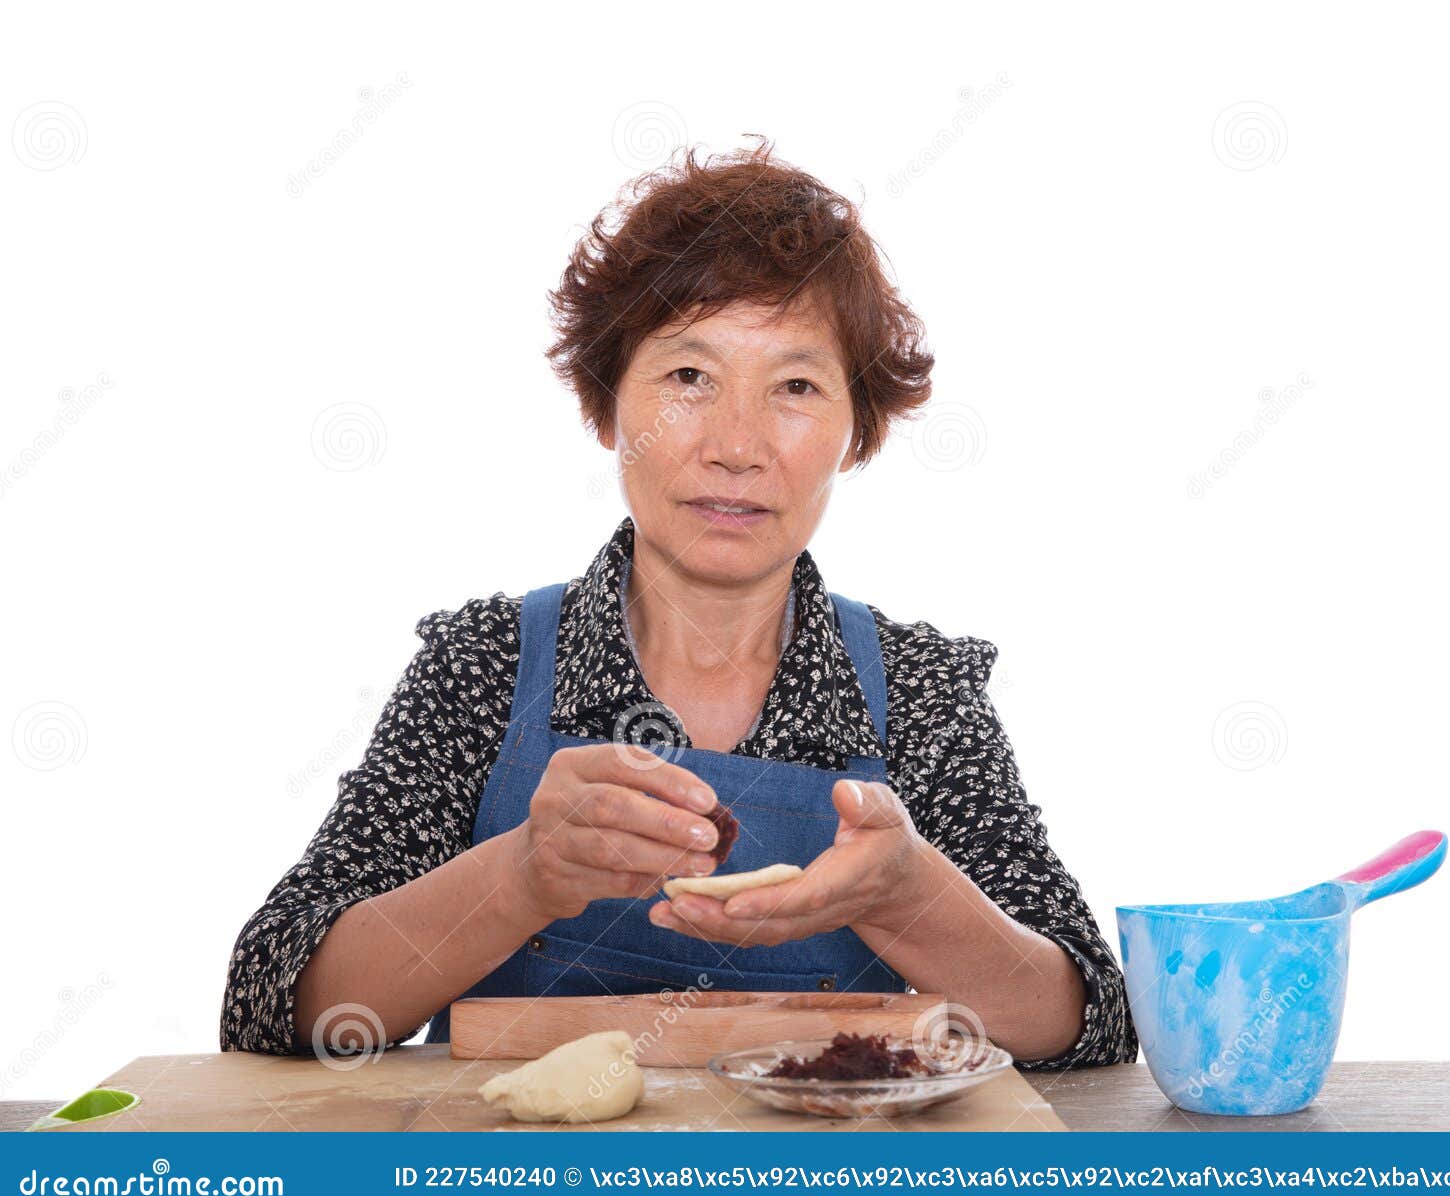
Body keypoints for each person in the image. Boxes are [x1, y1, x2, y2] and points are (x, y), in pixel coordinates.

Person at [221, 141, 1136, 1070]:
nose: (736, 446)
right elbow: (275, 1004)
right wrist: (523, 875)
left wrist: (907, 895)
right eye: (689, 377)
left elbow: (1088, 1022)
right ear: (606, 405)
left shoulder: (918, 689)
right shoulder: (486, 664)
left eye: (795, 387)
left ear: (856, 433)